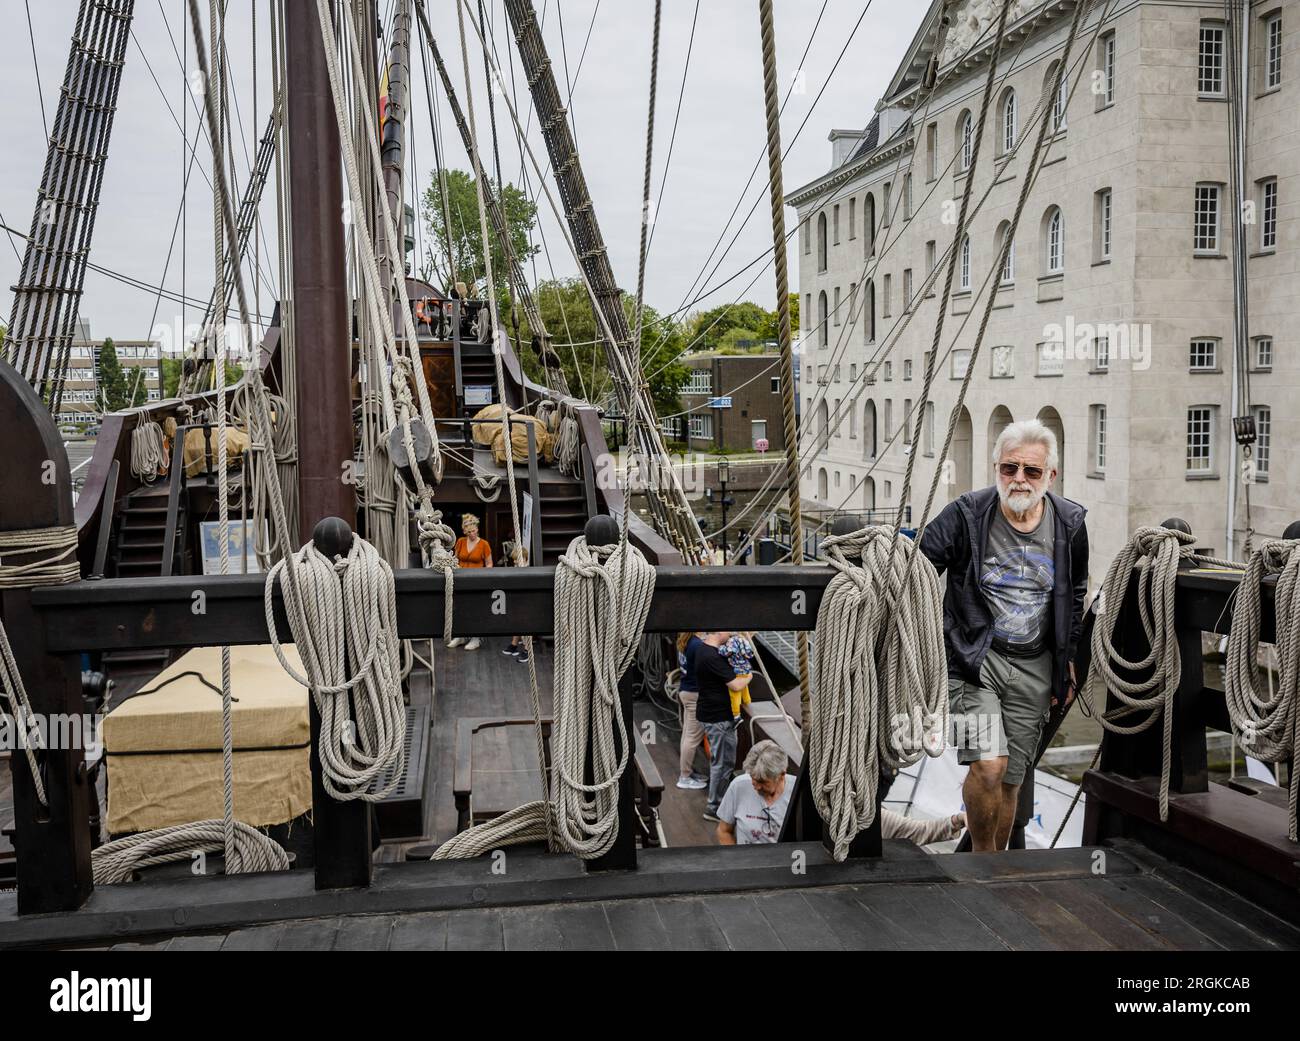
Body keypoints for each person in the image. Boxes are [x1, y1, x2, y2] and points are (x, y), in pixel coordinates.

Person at [918, 419, 1088, 853]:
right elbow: (918, 567)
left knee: (1012, 779)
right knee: (989, 766)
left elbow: (1075, 592)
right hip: (977, 660)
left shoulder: (1069, 523)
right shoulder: (967, 514)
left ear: (1050, 476)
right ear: (996, 467)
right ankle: (982, 859)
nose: (1019, 479)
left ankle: (993, 865)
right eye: (1009, 468)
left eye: (1031, 471)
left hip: (1036, 664)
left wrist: (1067, 661)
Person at [694, 631, 750, 821]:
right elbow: (736, 685)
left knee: (723, 762)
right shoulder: (713, 657)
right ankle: (715, 808)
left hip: (711, 714)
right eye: (728, 630)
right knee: (722, 763)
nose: (731, 634)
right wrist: (749, 675)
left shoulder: (702, 650)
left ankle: (719, 803)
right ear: (719, 632)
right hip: (719, 718)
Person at [716, 740, 794, 844]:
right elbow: (723, 831)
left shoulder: (797, 792)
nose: (756, 786)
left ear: (781, 775)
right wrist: (736, 858)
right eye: (753, 778)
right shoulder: (738, 785)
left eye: (762, 782)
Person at [448, 514, 492, 651]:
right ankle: (461, 636)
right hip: (460, 581)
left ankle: (476, 638)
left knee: (475, 610)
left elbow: (489, 564)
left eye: (473, 531)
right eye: (469, 532)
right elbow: (455, 559)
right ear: (465, 532)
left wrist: (483, 578)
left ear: (477, 529)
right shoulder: (460, 542)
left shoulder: (484, 544)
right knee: (459, 609)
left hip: (476, 582)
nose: (472, 534)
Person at [674, 632, 708, 790]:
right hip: (695, 695)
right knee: (693, 738)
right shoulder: (697, 645)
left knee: (687, 734)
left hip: (686, 690)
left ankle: (687, 771)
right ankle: (684, 777)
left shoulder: (687, 641)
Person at [502, 545, 530, 663]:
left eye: (517, 559)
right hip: (517, 601)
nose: (515, 562)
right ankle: (514, 645)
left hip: (528, 603)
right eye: (514, 560)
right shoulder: (515, 570)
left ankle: (527, 650)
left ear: (525, 559)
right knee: (516, 623)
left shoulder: (529, 572)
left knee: (527, 626)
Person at [721, 632, 756, 722]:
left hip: (736, 670)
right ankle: (748, 703)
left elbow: (727, 652)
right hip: (745, 669)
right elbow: (750, 654)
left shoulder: (734, 640)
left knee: (735, 693)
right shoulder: (746, 642)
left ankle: (736, 715)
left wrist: (719, 648)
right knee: (744, 688)